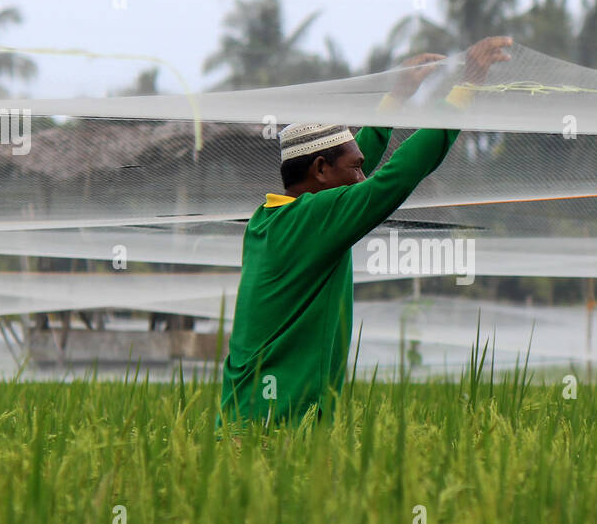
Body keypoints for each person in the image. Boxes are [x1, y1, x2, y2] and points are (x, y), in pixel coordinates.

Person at [217, 36, 513, 428]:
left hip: (251, 415)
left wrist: (399, 95)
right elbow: (398, 174)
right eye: (354, 169)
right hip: (273, 425)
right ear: (320, 170)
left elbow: (359, 164)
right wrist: (468, 85)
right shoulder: (313, 220)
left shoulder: (270, 218)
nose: (362, 176)